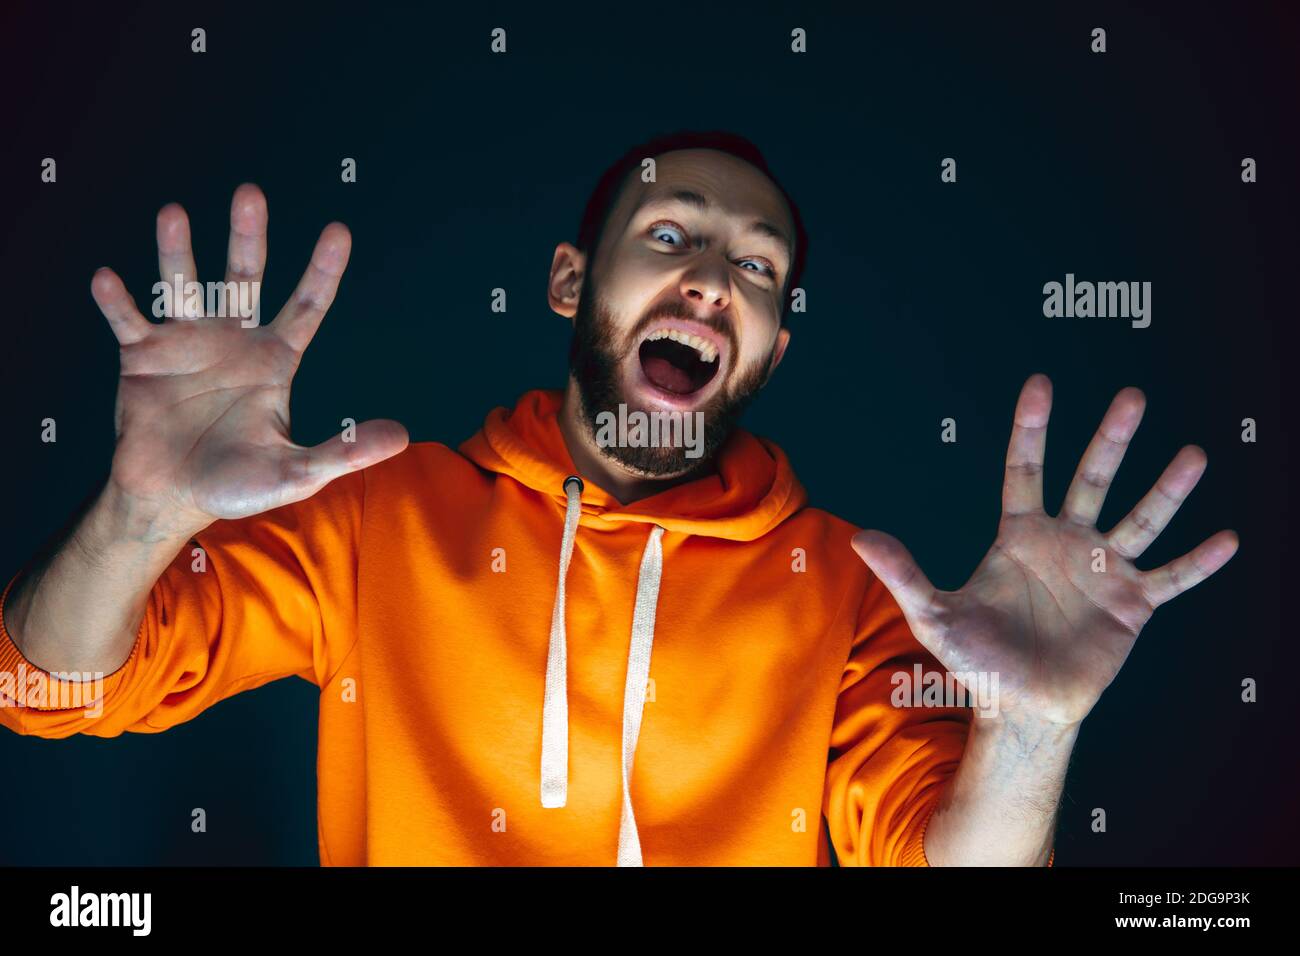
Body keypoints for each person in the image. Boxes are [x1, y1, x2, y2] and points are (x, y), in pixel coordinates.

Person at [0, 130, 1237, 866]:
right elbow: (46, 692)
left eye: (755, 266)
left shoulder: (854, 596)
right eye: (670, 236)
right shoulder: (380, 514)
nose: (711, 278)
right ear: (566, 283)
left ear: (770, 349)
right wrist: (144, 513)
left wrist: (1033, 728)